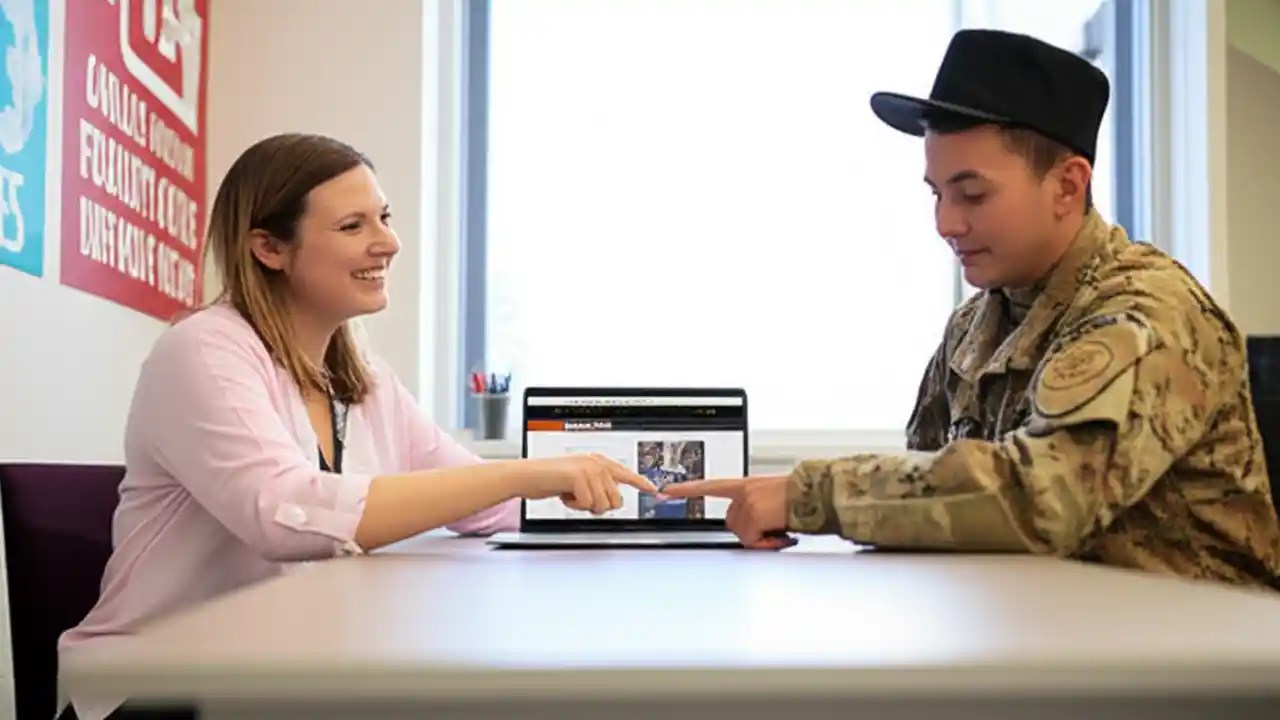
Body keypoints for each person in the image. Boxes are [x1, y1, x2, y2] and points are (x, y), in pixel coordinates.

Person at [56, 133, 657, 720]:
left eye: (384, 218)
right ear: (269, 247)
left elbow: (477, 503)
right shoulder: (204, 350)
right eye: (354, 226)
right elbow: (284, 513)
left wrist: (663, 514)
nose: (388, 242)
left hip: (285, 675)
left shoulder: (361, 375)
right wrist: (529, 473)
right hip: (164, 685)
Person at [664, 29, 1280, 588]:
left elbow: (1044, 498)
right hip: (1043, 636)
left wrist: (809, 493)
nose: (945, 223)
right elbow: (934, 491)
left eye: (973, 194)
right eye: (937, 193)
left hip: (1195, 667)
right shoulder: (975, 323)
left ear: (1068, 185)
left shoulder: (1148, 313)